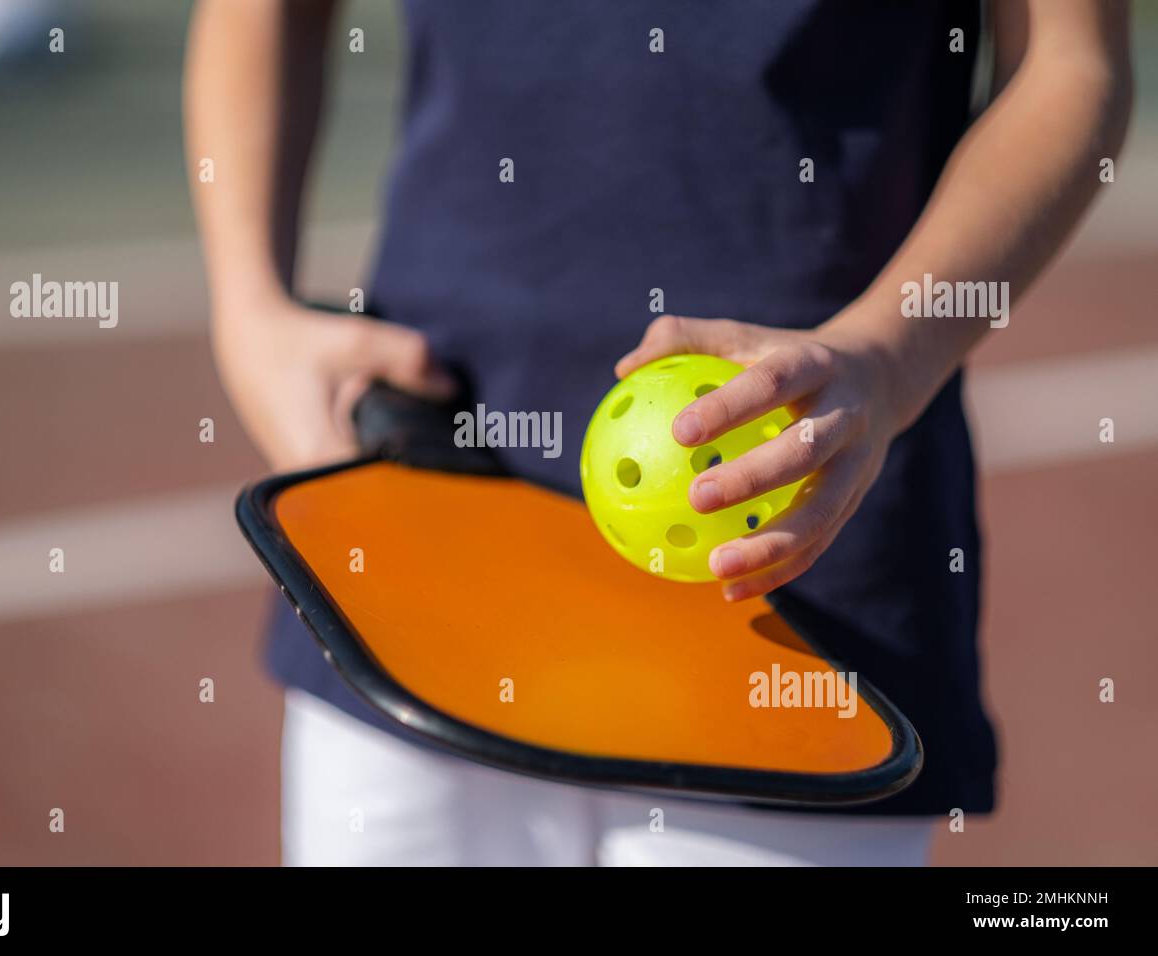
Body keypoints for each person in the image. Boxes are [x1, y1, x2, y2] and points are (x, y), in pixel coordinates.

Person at [185, 0, 1132, 866]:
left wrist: (884, 361)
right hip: (416, 520)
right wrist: (245, 305)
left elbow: (1067, 61)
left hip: (800, 565)